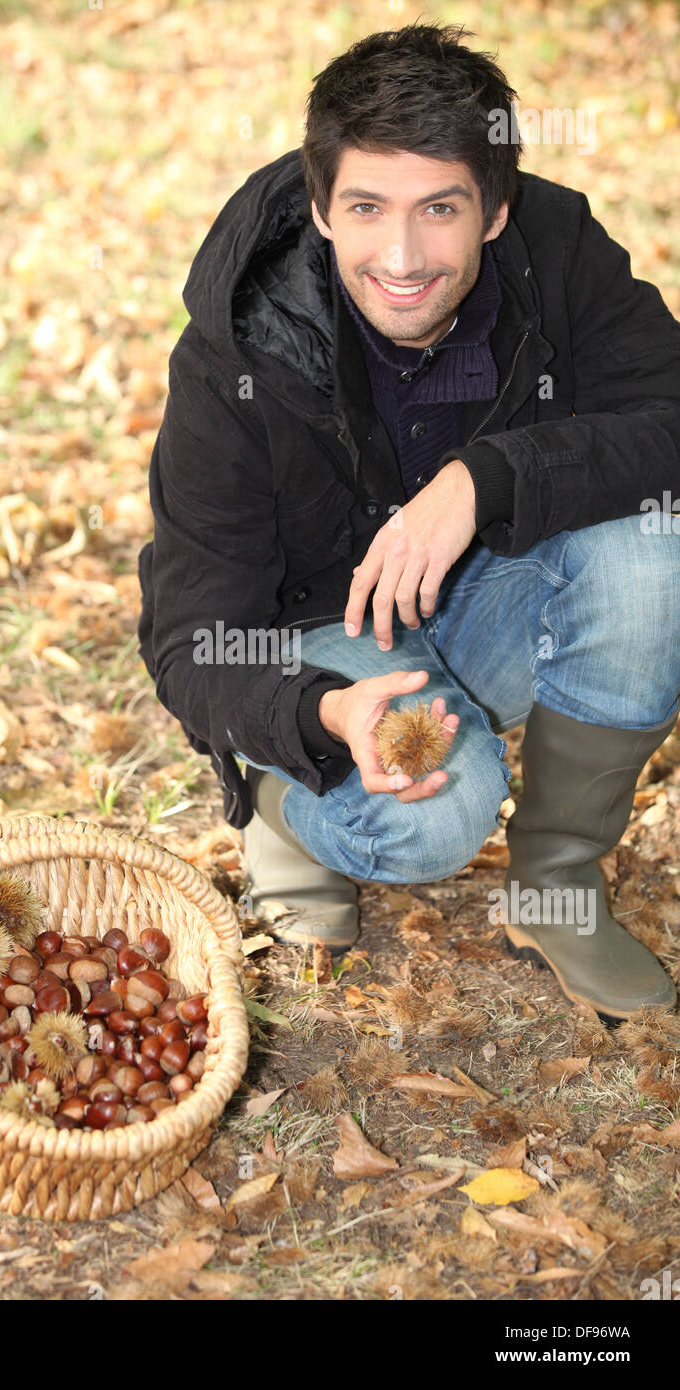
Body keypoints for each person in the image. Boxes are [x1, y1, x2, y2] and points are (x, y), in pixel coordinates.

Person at [138, 22, 680, 1022]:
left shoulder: (557, 254)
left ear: (493, 210)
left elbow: (667, 419)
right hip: (322, 644)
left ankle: (554, 886)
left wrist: (485, 477)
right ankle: (284, 809)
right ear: (319, 207)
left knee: (657, 542)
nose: (399, 255)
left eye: (438, 208)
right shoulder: (236, 348)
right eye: (366, 207)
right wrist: (320, 717)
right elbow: (187, 634)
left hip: (488, 593)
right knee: (433, 821)